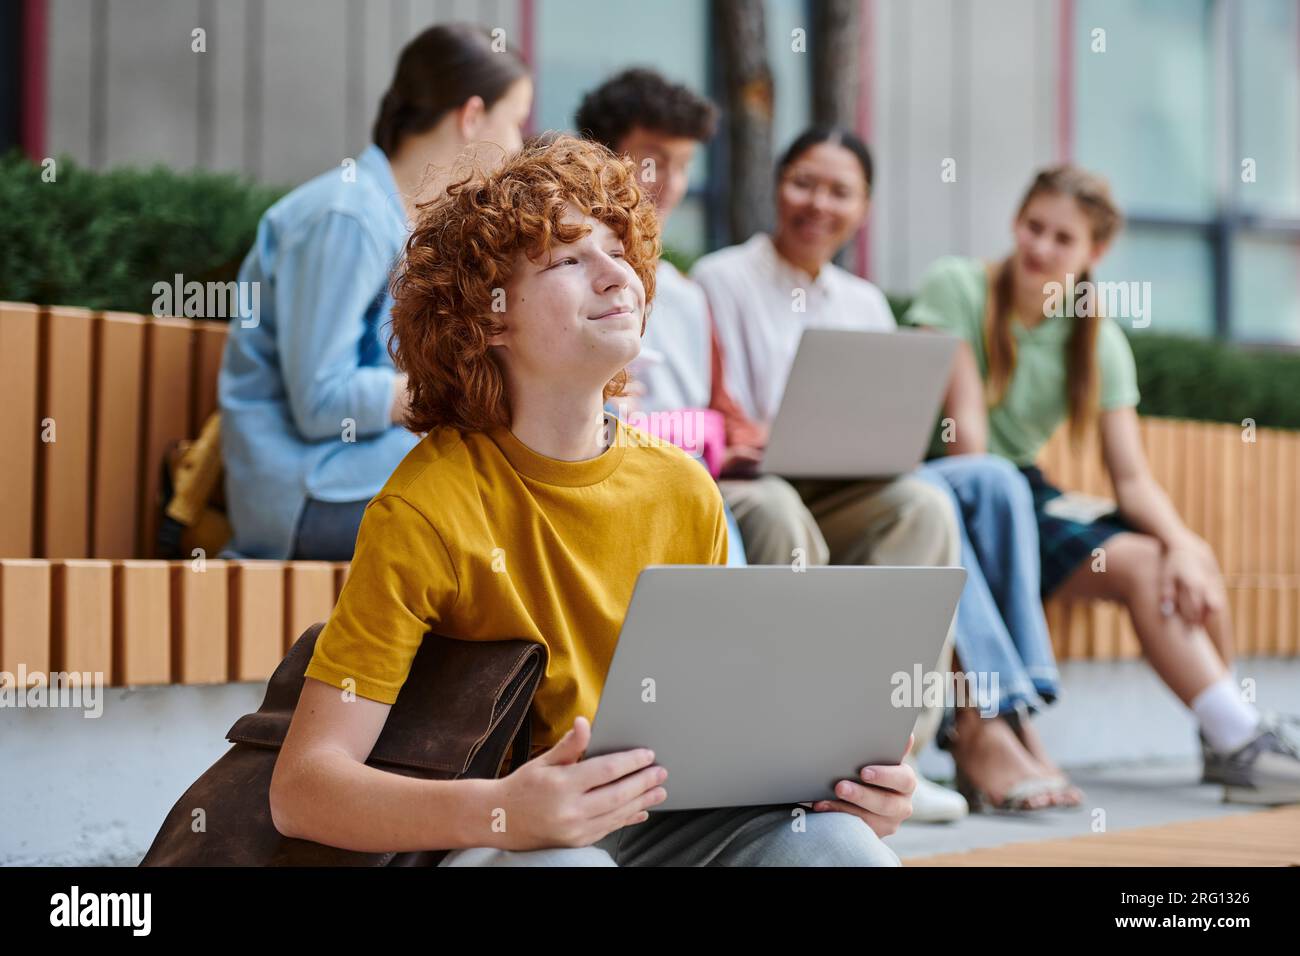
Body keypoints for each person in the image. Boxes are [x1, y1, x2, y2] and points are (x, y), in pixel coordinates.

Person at [268, 134, 914, 866]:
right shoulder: (427, 506)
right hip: (500, 838)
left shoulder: (683, 489)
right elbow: (302, 789)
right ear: (490, 318)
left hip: (666, 818)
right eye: (569, 260)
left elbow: (733, 722)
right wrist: (504, 810)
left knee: (837, 845)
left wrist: (844, 784)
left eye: (619, 250)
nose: (617, 276)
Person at [694, 126, 1078, 812]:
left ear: (864, 208)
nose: (819, 203)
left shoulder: (865, 302)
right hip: (756, 480)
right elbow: (705, 407)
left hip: (848, 484)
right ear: (776, 186)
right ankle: (984, 720)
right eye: (804, 182)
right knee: (823, 505)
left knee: (937, 501)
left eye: (841, 191)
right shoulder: (720, 279)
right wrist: (748, 435)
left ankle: (897, 755)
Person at [908, 164, 1300, 806]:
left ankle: (1232, 738)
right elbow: (967, 443)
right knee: (994, 488)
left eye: (1062, 238)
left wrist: (1181, 542)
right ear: (1015, 222)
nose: (1039, 247)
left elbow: (1132, 477)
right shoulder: (957, 287)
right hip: (949, 482)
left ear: (1096, 251)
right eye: (1033, 227)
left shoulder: (1099, 340)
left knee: (1163, 563)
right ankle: (997, 728)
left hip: (1026, 491)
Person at [218, 23, 532, 559]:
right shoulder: (348, 217)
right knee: (520, 501)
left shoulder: (402, 221)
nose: (519, 145)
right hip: (308, 492)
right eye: (516, 122)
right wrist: (457, 396)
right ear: (472, 116)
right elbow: (320, 402)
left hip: (363, 472)